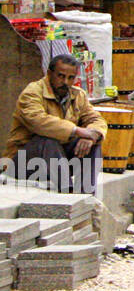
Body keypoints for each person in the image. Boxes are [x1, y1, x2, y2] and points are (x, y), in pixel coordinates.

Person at [4, 54, 104, 194]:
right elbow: (38, 121)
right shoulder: (32, 92)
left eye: (70, 78)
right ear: (49, 73)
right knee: (47, 140)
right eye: (61, 76)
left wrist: (91, 135)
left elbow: (96, 120)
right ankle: (66, 193)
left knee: (92, 144)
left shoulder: (77, 95)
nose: (65, 82)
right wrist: (77, 131)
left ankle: (86, 194)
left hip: (56, 161)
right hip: (24, 162)